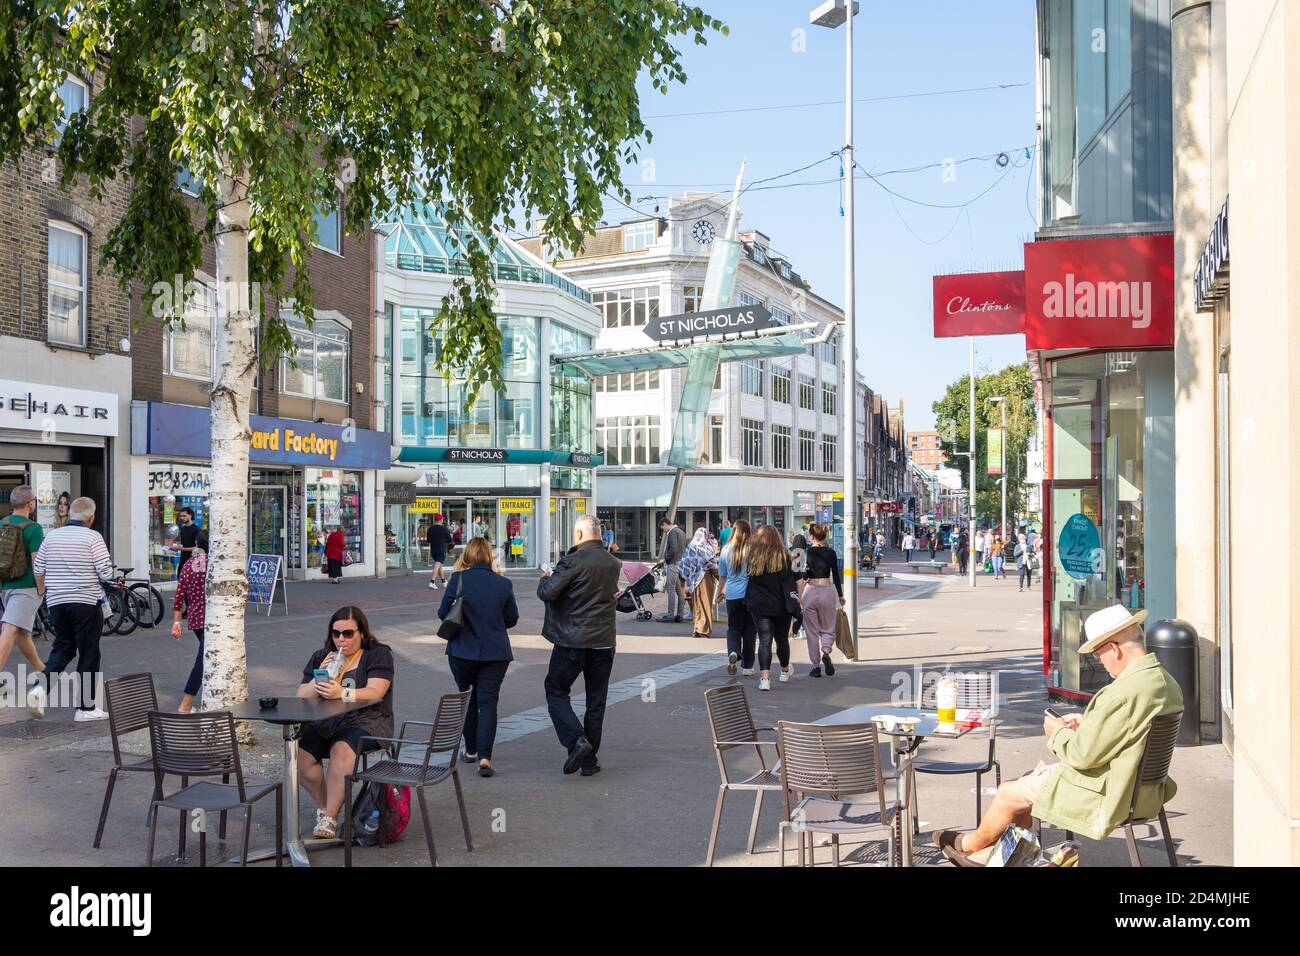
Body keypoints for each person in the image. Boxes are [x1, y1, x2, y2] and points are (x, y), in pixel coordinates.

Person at [934, 606, 1182, 863]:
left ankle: (970, 846)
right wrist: (1089, 721)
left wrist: (1057, 732)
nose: (1099, 660)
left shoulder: (1120, 693)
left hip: (1111, 794)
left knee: (1009, 792)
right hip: (1145, 792)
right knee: (1020, 786)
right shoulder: (1164, 682)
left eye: (1098, 653)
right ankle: (993, 856)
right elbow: (1132, 728)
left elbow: (1082, 756)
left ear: (1114, 649)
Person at [296, 606, 393, 838]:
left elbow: (376, 691)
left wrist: (342, 692)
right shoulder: (322, 656)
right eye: (336, 633)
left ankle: (329, 818)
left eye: (348, 633)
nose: (341, 639)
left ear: (362, 633)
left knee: (341, 748)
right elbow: (302, 695)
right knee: (300, 758)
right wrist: (321, 674)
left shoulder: (377, 654)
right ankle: (326, 808)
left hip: (368, 720)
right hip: (327, 721)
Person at [537, 514, 621, 776]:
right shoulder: (612, 562)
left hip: (572, 641)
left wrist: (545, 577)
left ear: (580, 534)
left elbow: (548, 592)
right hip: (603, 642)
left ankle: (576, 740)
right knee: (596, 702)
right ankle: (589, 762)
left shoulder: (572, 560)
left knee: (555, 689)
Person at [27, 497, 114, 720]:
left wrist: (44, 592)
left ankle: (40, 689)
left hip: (57, 602)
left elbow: (38, 567)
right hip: (85, 601)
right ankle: (86, 709)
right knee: (89, 652)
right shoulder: (93, 537)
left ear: (71, 514)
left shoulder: (51, 536)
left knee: (63, 648)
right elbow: (105, 573)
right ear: (91, 518)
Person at [438, 537, 518, 777]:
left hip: (462, 652)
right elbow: (512, 619)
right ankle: (485, 758)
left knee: (468, 700)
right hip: (496, 653)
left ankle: (471, 750)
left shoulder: (458, 579)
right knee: (488, 703)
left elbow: (443, 613)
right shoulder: (503, 584)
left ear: (469, 555)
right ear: (489, 556)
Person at [0, 487, 48, 691]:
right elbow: (38, 561)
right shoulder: (34, 528)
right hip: (26, 586)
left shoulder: (2, 523)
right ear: (30, 504)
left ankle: (41, 670)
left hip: (6, 586)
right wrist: (41, 588)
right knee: (10, 629)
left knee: (22, 633)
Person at [744, 525, 798, 692]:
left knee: (764, 641)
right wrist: (799, 600)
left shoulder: (753, 556)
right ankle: (784, 671)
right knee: (782, 639)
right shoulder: (786, 556)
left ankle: (765, 679)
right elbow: (796, 579)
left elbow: (749, 576)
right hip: (782, 604)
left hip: (759, 605)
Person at [799, 522, 842, 678]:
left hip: (810, 593)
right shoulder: (831, 553)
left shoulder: (806, 553)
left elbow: (804, 576)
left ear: (812, 536)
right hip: (826, 592)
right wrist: (841, 596)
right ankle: (826, 650)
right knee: (828, 627)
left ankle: (816, 667)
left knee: (811, 632)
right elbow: (836, 575)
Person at [170, 544, 208, 712]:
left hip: (195, 618)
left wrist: (177, 622)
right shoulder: (215, 563)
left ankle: (214, 696)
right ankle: (186, 703)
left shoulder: (187, 565)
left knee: (210, 658)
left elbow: (179, 595)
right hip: (212, 616)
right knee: (204, 658)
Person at [717, 519, 755, 677]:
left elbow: (722, 577)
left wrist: (718, 593)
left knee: (733, 627)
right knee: (749, 630)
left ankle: (733, 651)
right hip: (750, 595)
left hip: (732, 595)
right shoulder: (752, 550)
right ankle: (747, 667)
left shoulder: (725, 550)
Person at [680, 528, 719, 639]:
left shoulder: (690, 548)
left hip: (692, 581)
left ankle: (696, 628)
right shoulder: (707, 548)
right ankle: (704, 630)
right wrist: (720, 579)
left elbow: (683, 566)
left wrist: (685, 580)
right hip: (705, 579)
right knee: (706, 604)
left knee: (696, 604)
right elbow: (713, 566)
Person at [657, 517, 688, 624]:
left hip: (673, 564)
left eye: (663, 528)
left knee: (671, 589)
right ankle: (680, 615)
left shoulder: (672, 533)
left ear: (666, 524)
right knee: (679, 590)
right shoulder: (681, 532)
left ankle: (670, 615)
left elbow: (673, 549)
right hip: (681, 564)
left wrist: (665, 559)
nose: (663, 531)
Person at [170, 506, 207, 576]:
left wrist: (180, 548)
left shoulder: (196, 530)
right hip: (182, 561)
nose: (182, 518)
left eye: (184, 516)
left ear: (190, 515)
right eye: (180, 516)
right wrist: (173, 548)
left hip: (193, 561)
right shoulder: (182, 529)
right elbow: (181, 544)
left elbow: (197, 548)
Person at [426, 514, 453, 590]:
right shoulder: (444, 529)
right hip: (441, 550)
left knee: (440, 565)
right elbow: (450, 540)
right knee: (437, 565)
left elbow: (428, 540)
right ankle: (432, 581)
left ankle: (444, 581)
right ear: (441, 520)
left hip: (433, 550)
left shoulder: (431, 529)